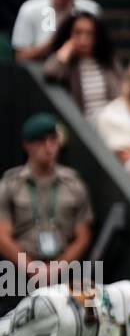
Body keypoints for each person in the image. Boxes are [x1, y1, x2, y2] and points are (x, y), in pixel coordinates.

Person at [0, 113, 93, 315]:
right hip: (19, 272)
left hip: (63, 269)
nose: (49, 147)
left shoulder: (73, 183)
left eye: (53, 140)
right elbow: (2, 235)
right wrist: (30, 266)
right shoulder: (11, 184)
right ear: (28, 146)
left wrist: (57, 267)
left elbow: (83, 235)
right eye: (41, 141)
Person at [41, 11, 121, 122]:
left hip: (111, 122)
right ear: (69, 35)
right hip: (82, 126)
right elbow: (50, 72)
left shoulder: (108, 61)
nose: (83, 39)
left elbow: (120, 92)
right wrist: (66, 50)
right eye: (78, 33)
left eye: (89, 34)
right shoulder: (66, 63)